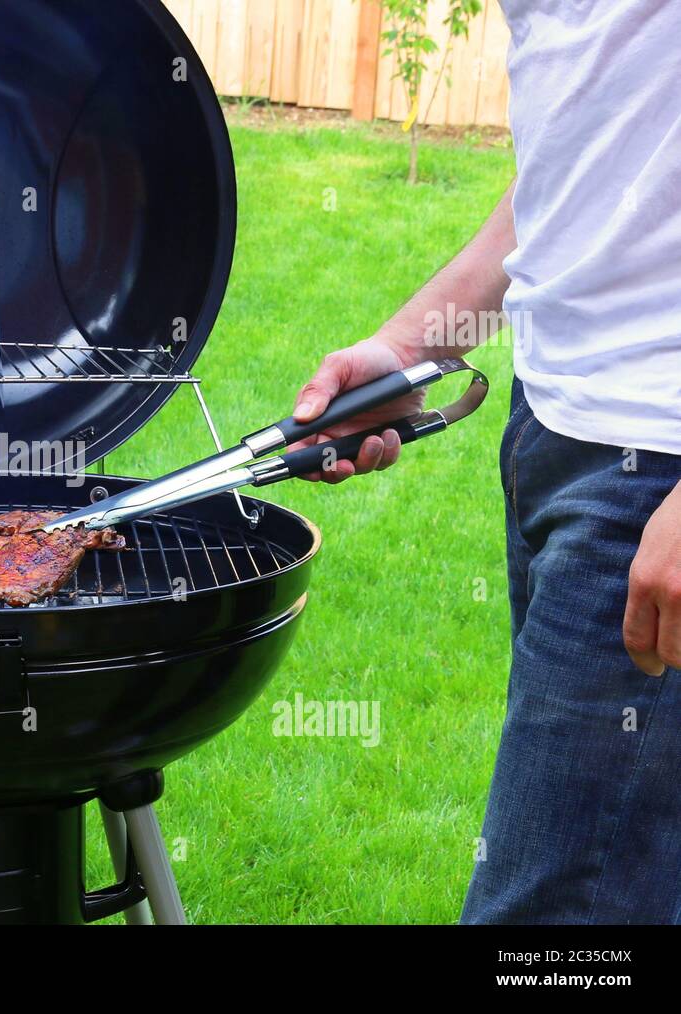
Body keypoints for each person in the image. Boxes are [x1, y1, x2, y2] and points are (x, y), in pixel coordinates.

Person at [291, 2, 681, 923]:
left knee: (555, 922)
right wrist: (414, 345)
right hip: (554, 432)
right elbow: (582, 175)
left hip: (658, 467)